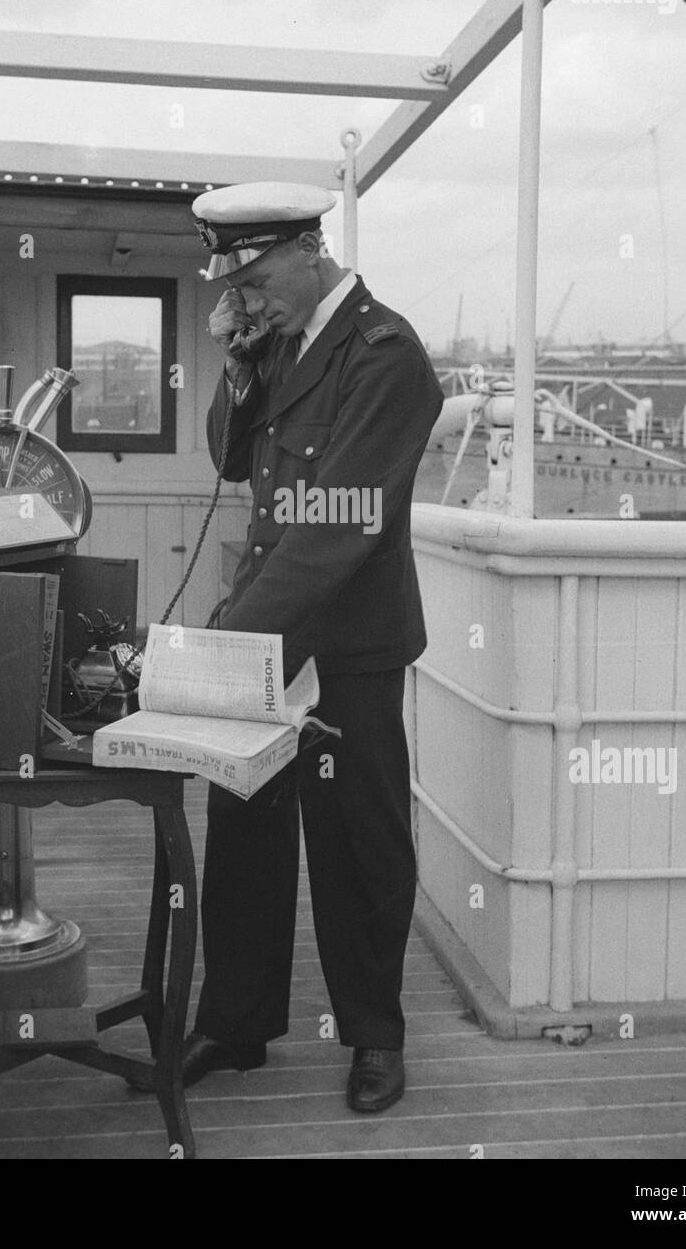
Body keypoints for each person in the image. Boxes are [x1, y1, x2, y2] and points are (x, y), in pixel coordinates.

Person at [183, 181, 444, 1113]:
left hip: (348, 649)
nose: (239, 301)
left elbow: (339, 524)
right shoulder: (285, 342)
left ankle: (374, 1035)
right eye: (231, 286)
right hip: (269, 638)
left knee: (357, 848)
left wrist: (222, 645)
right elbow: (225, 454)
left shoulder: (386, 355)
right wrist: (242, 364)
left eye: (249, 282)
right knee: (245, 832)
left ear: (305, 249)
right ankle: (238, 1022)